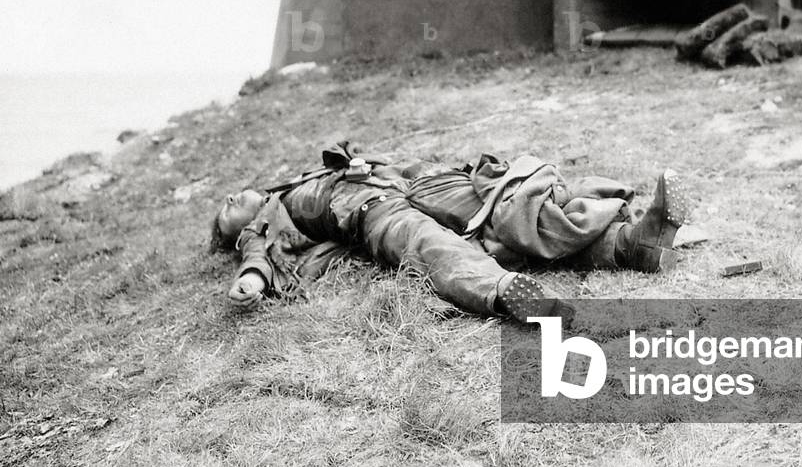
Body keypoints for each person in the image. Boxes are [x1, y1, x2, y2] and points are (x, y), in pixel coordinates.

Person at [209, 142, 690, 324]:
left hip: (418, 181)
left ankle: (634, 243)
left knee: (510, 209)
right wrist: (251, 279)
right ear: (234, 233)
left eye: (230, 196)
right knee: (430, 246)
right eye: (224, 213)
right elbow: (259, 253)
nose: (230, 201)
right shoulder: (266, 216)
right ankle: (506, 292)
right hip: (375, 213)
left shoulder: (295, 179)